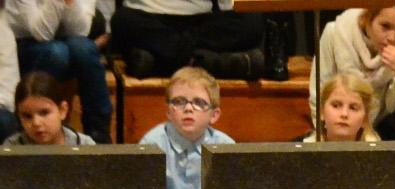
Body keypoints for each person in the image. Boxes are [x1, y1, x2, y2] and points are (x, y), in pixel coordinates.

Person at [141, 66, 232, 189]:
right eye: (179, 101)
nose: (188, 108)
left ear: (214, 115)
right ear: (168, 111)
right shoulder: (152, 143)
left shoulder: (225, 146)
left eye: (199, 103)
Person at [314, 2, 395, 141]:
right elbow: (318, 91)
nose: (392, 37)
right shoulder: (336, 32)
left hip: (381, 123)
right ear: (367, 18)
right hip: (340, 122)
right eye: (385, 26)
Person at [8, 0, 110, 144]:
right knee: (56, 52)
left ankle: (99, 134)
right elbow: (41, 33)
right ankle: (36, 127)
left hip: (66, 45)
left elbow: (80, 31)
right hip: (25, 45)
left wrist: (69, 3)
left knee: (84, 49)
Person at [112, 0, 268, 82]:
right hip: (147, 16)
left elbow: (228, 5)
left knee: (251, 21)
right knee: (122, 21)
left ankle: (158, 64)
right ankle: (205, 62)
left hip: (199, 21)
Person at [3, 71, 90, 144]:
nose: (36, 123)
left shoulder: (85, 145)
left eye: (44, 113)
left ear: (62, 110)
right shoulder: (11, 147)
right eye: (27, 116)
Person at [308, 72, 380, 142]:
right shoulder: (303, 147)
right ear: (322, 111)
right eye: (336, 106)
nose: (344, 114)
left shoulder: (378, 151)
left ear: (365, 118)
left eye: (353, 108)